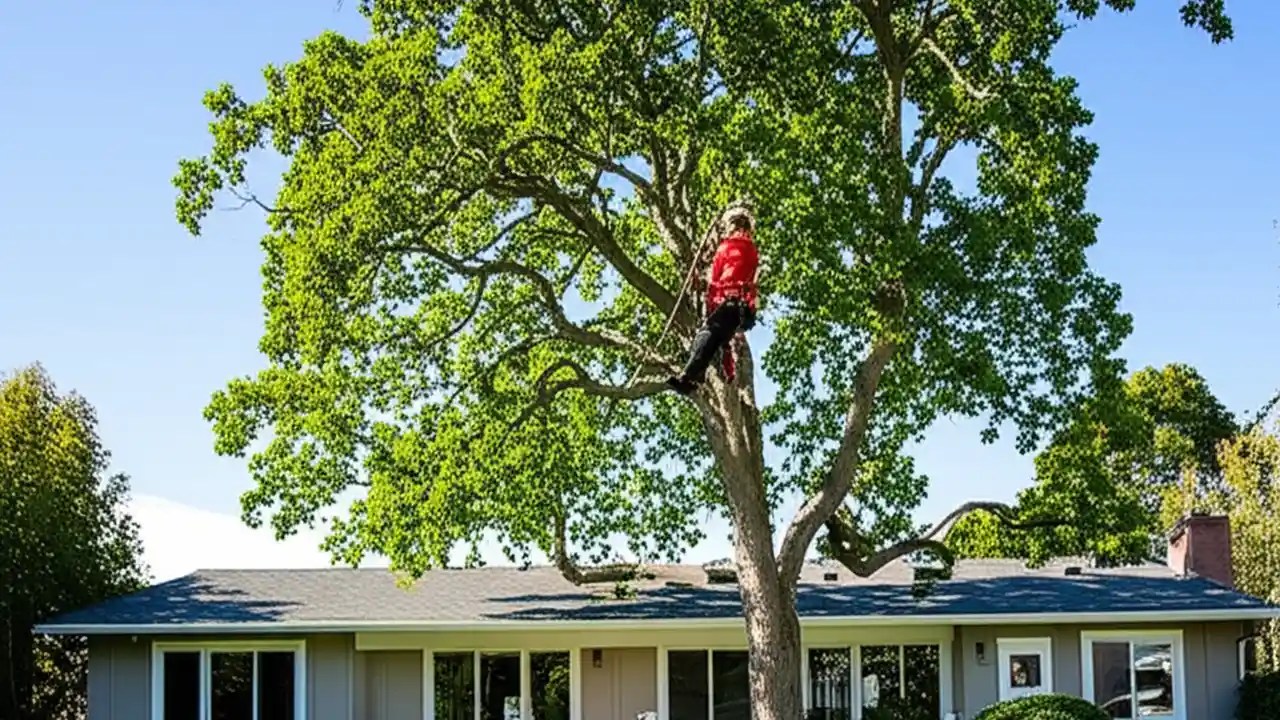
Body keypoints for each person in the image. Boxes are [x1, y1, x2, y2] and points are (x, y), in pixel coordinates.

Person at [666, 207, 760, 395]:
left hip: (732, 303)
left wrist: (704, 284)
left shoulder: (731, 247)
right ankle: (696, 375)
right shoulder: (748, 249)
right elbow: (718, 279)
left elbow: (718, 279)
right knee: (713, 339)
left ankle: (689, 375)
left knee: (707, 333)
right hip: (735, 307)